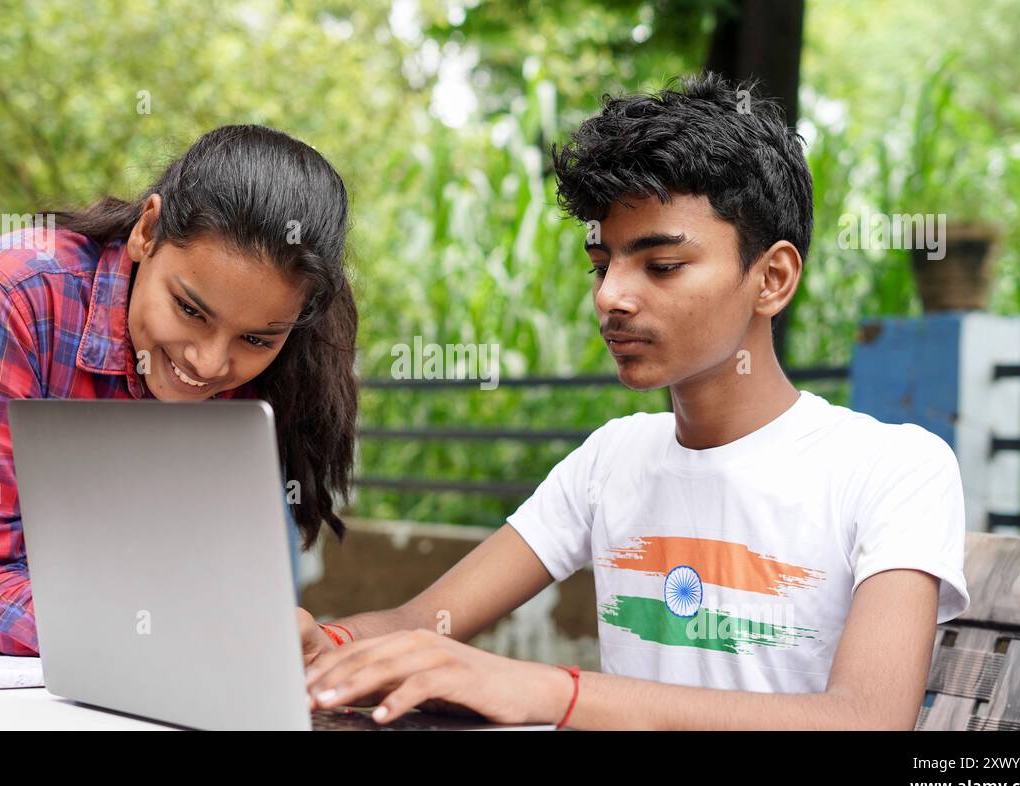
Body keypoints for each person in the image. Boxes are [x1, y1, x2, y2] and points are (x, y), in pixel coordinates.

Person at [298, 74, 970, 730]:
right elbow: (424, 622)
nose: (610, 296)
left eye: (661, 265)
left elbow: (866, 718)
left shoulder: (893, 469)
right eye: (602, 263)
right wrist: (329, 638)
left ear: (771, 277)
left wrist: (549, 693)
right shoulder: (612, 461)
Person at [0, 125, 358, 655]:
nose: (209, 362)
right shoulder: (11, 294)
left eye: (256, 338)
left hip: (52, 606)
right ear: (147, 231)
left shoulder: (270, 370)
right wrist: (176, 627)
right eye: (189, 309)